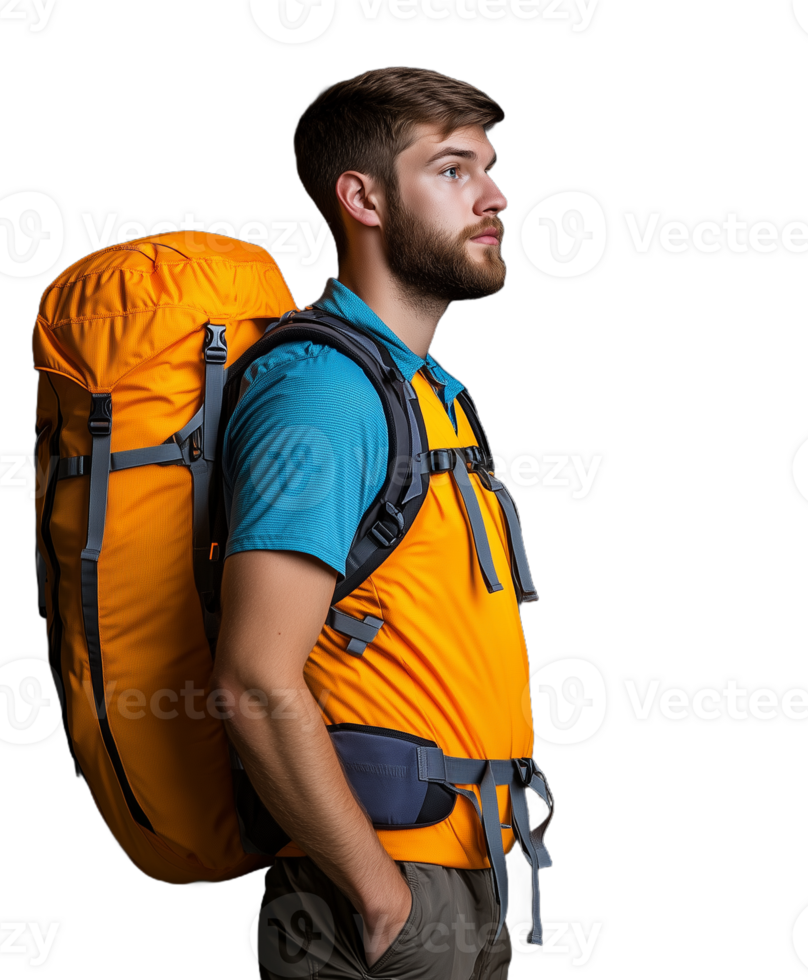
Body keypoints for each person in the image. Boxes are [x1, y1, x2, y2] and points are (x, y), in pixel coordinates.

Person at [210, 66, 541, 980]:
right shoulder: (323, 390)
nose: (495, 196)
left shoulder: (423, 390)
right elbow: (251, 678)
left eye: (488, 168)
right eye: (452, 170)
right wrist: (375, 889)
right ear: (362, 197)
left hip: (468, 870)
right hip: (382, 886)